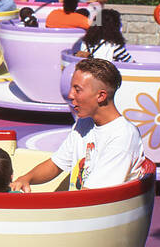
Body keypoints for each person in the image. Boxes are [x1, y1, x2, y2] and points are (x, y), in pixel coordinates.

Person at [11, 58, 144, 191]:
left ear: (101, 96)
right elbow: (56, 164)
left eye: (77, 90)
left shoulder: (122, 136)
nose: (70, 95)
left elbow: (93, 196)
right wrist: (25, 178)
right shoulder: (84, 124)